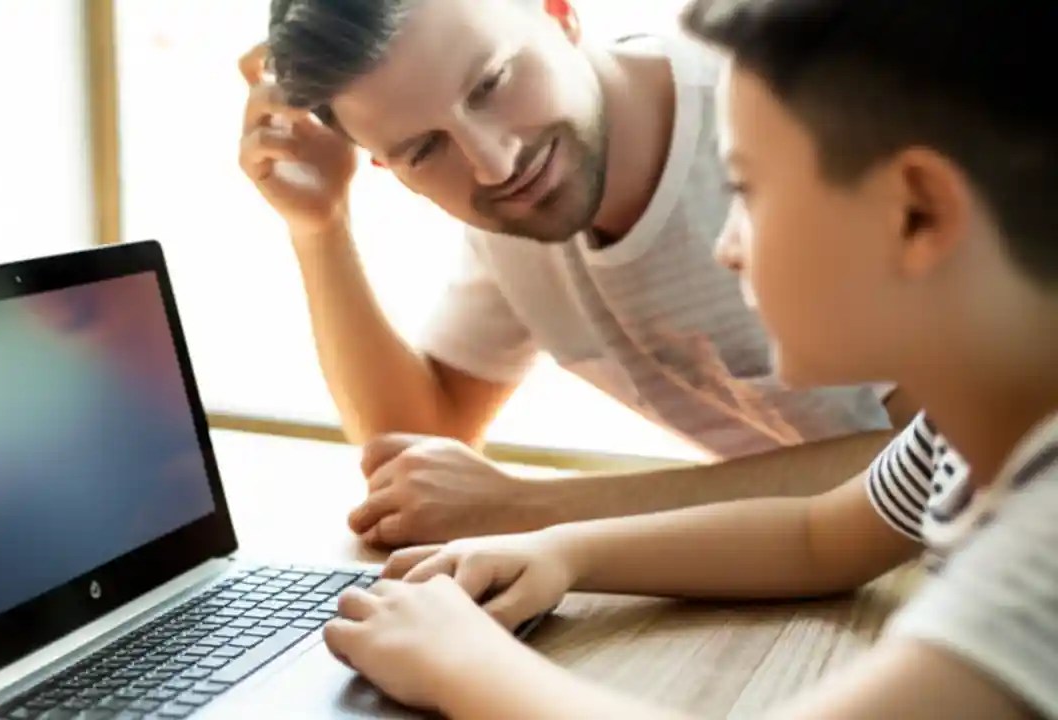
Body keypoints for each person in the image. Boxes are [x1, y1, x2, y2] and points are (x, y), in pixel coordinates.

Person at [320, 0, 1058, 717]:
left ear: (917, 213)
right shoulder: (955, 440)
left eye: (745, 190)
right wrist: (562, 551)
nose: (724, 246)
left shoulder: (1043, 533)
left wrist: (463, 665)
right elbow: (817, 537)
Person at [239, 0, 913, 548]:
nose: (494, 163)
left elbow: (940, 459)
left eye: (491, 84)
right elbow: (419, 459)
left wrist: (533, 507)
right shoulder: (513, 216)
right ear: (386, 167)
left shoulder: (796, 123)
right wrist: (320, 228)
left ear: (558, 12)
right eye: (423, 149)